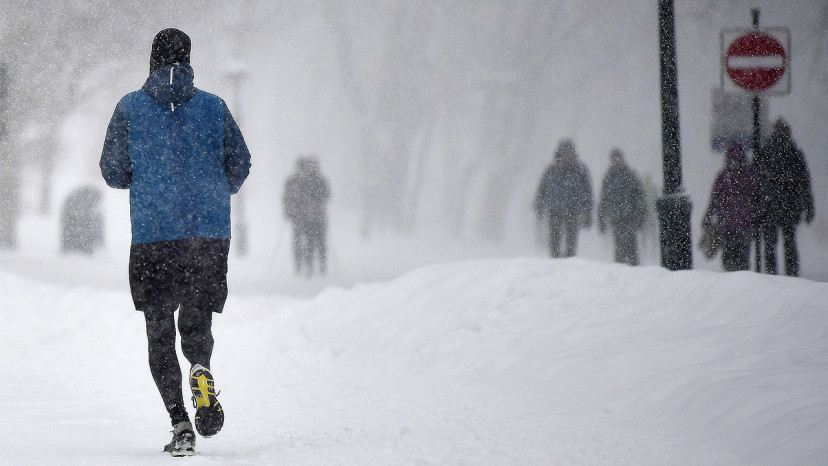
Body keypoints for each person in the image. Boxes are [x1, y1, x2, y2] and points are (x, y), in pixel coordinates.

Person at [99, 28, 251, 456]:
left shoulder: (130, 107)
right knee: (197, 322)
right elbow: (240, 162)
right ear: (187, 59)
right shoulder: (214, 107)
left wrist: (144, 180)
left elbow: (112, 171)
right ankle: (201, 366)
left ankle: (181, 423)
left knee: (159, 331)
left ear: (152, 59)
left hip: (154, 237)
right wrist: (218, 191)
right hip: (207, 235)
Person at [752, 118, 815, 276]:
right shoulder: (794, 153)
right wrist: (808, 206)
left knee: (770, 245)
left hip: (770, 207)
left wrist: (757, 205)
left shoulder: (766, 151)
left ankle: (771, 274)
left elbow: (757, 181)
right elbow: (804, 182)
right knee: (790, 243)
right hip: (790, 207)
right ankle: (792, 275)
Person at [534, 139, 593, 258]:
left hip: (573, 210)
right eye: (564, 152)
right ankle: (555, 260)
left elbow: (587, 192)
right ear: (559, 153)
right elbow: (542, 189)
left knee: (571, 240)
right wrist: (539, 206)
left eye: (569, 152)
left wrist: (587, 211)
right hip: (554, 209)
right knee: (554, 239)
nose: (566, 155)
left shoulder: (580, 171)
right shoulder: (551, 170)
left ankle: (570, 262)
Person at [702, 143, 754, 271]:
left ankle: (731, 280)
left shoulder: (723, 177)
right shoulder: (748, 176)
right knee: (743, 260)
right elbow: (755, 199)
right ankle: (743, 279)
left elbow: (714, 200)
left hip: (727, 226)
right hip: (745, 226)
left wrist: (708, 217)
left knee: (729, 260)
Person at [283, 156, 330, 276]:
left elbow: (326, 196)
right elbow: (287, 198)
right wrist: (289, 211)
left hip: (315, 217)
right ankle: (302, 266)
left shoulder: (317, 181)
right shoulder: (296, 181)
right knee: (302, 242)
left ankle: (318, 266)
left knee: (317, 242)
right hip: (301, 217)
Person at [597, 149, 646, 265]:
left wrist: (639, 216)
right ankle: (621, 269)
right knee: (619, 246)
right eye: (614, 159)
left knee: (631, 246)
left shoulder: (631, 176)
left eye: (618, 159)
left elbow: (639, 197)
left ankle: (633, 270)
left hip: (630, 217)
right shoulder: (608, 178)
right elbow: (603, 199)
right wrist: (601, 218)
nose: (616, 161)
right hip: (616, 218)